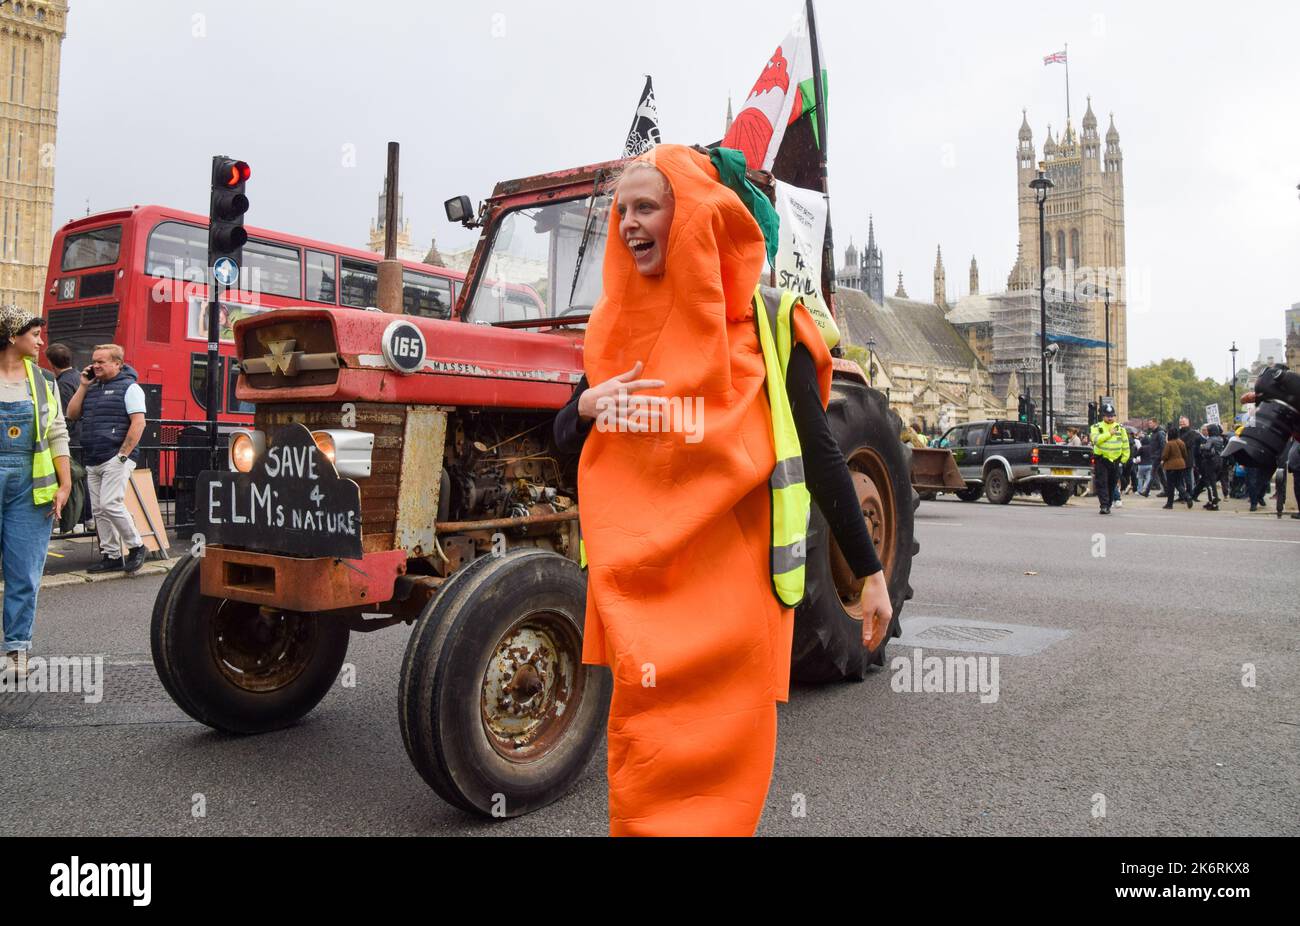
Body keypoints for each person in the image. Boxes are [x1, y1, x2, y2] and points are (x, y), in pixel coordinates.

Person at [553, 145, 889, 836]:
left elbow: (823, 460)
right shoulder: (614, 330)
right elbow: (564, 450)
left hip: (734, 607)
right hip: (642, 603)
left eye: (647, 207)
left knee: (722, 793)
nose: (629, 225)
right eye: (621, 211)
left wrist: (870, 571)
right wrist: (584, 412)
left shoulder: (772, 325)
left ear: (694, 216)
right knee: (643, 773)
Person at [0, 305, 73, 680]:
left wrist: (65, 483)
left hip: (30, 487)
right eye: (34, 334)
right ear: (12, 336)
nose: (41, 341)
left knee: (24, 573)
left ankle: (16, 650)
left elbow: (58, 431)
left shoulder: (44, 381)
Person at [65, 344, 147, 574]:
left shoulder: (131, 388)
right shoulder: (91, 387)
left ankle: (137, 546)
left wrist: (122, 455)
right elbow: (72, 414)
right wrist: (83, 386)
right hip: (93, 456)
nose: (95, 366)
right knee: (99, 510)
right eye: (94, 361)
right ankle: (111, 555)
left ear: (118, 364)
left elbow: (138, 423)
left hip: (115, 456)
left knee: (111, 503)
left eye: (101, 361)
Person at [44, 342, 88, 532]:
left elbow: (60, 418)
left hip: (72, 440)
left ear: (51, 364)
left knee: (72, 481)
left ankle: (75, 521)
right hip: (85, 436)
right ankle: (85, 519)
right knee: (83, 480)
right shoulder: (80, 378)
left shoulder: (61, 384)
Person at [1089, 402, 1129, 514]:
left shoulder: (1120, 428)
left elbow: (1125, 444)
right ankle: (1104, 505)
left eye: (1112, 415)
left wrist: (1124, 459)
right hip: (1102, 459)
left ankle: (1109, 503)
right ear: (1103, 416)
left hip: (1116, 460)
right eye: (1108, 415)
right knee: (1102, 483)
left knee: (1112, 484)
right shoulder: (1096, 427)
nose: (1110, 418)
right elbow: (1095, 440)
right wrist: (1109, 434)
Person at [1161, 427, 1193, 508]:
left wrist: (1163, 460)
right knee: (1179, 483)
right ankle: (1187, 496)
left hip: (1171, 466)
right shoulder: (1181, 442)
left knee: (1170, 485)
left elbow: (1165, 455)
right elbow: (1185, 454)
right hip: (1181, 465)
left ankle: (1169, 503)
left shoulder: (1169, 444)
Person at [1198, 424, 1225, 510]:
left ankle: (1214, 502)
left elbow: (1207, 447)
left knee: (1210, 482)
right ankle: (1211, 501)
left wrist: (1201, 446)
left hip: (1211, 462)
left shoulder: (1211, 439)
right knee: (1212, 481)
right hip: (1219, 461)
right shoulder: (1220, 439)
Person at [1143, 418, 1166, 496]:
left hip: (1158, 457)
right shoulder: (1154, 433)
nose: (1149, 424)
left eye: (1150, 423)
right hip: (1155, 456)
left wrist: (1163, 458)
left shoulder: (1160, 433)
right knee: (1161, 476)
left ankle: (1146, 491)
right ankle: (1167, 491)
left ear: (1155, 423)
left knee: (1153, 474)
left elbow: (1163, 446)